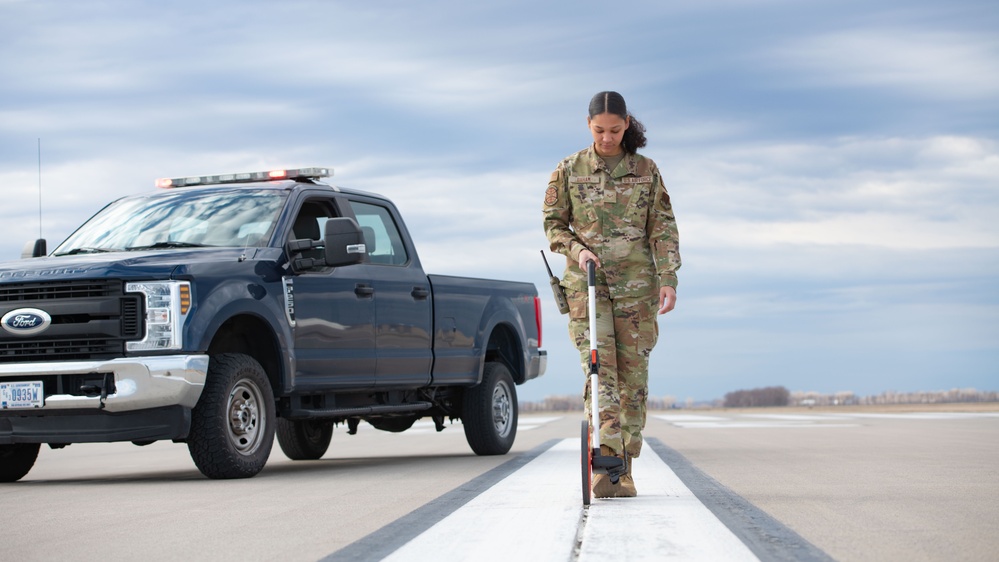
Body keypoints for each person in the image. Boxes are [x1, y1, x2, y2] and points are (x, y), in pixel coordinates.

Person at [542, 91, 681, 498]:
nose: (607, 138)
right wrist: (577, 250)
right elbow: (553, 225)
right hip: (588, 286)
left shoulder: (646, 170)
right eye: (599, 130)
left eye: (615, 131)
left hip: (637, 289)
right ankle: (606, 463)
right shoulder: (569, 169)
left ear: (626, 125)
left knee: (632, 379)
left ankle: (627, 467)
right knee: (600, 371)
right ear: (588, 125)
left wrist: (668, 277)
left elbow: (663, 227)